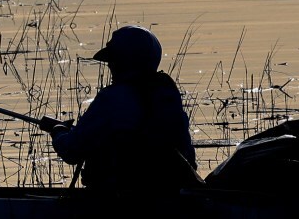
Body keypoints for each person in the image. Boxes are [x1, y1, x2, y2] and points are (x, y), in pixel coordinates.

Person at [49, 25, 199, 192]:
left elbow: (72, 151)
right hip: (170, 196)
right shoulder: (166, 97)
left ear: (123, 62)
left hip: (119, 201)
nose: (110, 67)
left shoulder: (114, 98)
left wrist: (58, 132)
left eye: (113, 61)